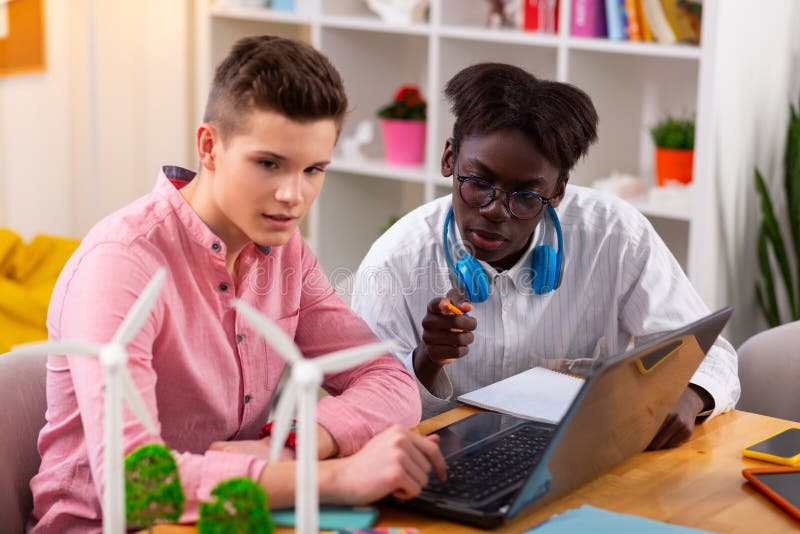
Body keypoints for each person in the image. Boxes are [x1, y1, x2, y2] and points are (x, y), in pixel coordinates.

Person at [29, 35, 445, 531]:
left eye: (313, 169)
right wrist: (333, 478)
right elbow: (134, 484)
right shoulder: (121, 263)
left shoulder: (285, 251)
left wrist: (293, 443)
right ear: (209, 146)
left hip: (239, 516)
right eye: (269, 164)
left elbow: (390, 381)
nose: (293, 195)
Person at [351, 62, 740, 450]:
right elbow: (364, 411)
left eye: (525, 197)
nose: (495, 211)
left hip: (576, 456)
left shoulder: (614, 235)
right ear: (450, 159)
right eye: (478, 184)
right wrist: (427, 360)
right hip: (448, 465)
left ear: (558, 191)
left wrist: (689, 395)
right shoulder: (397, 262)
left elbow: (711, 354)